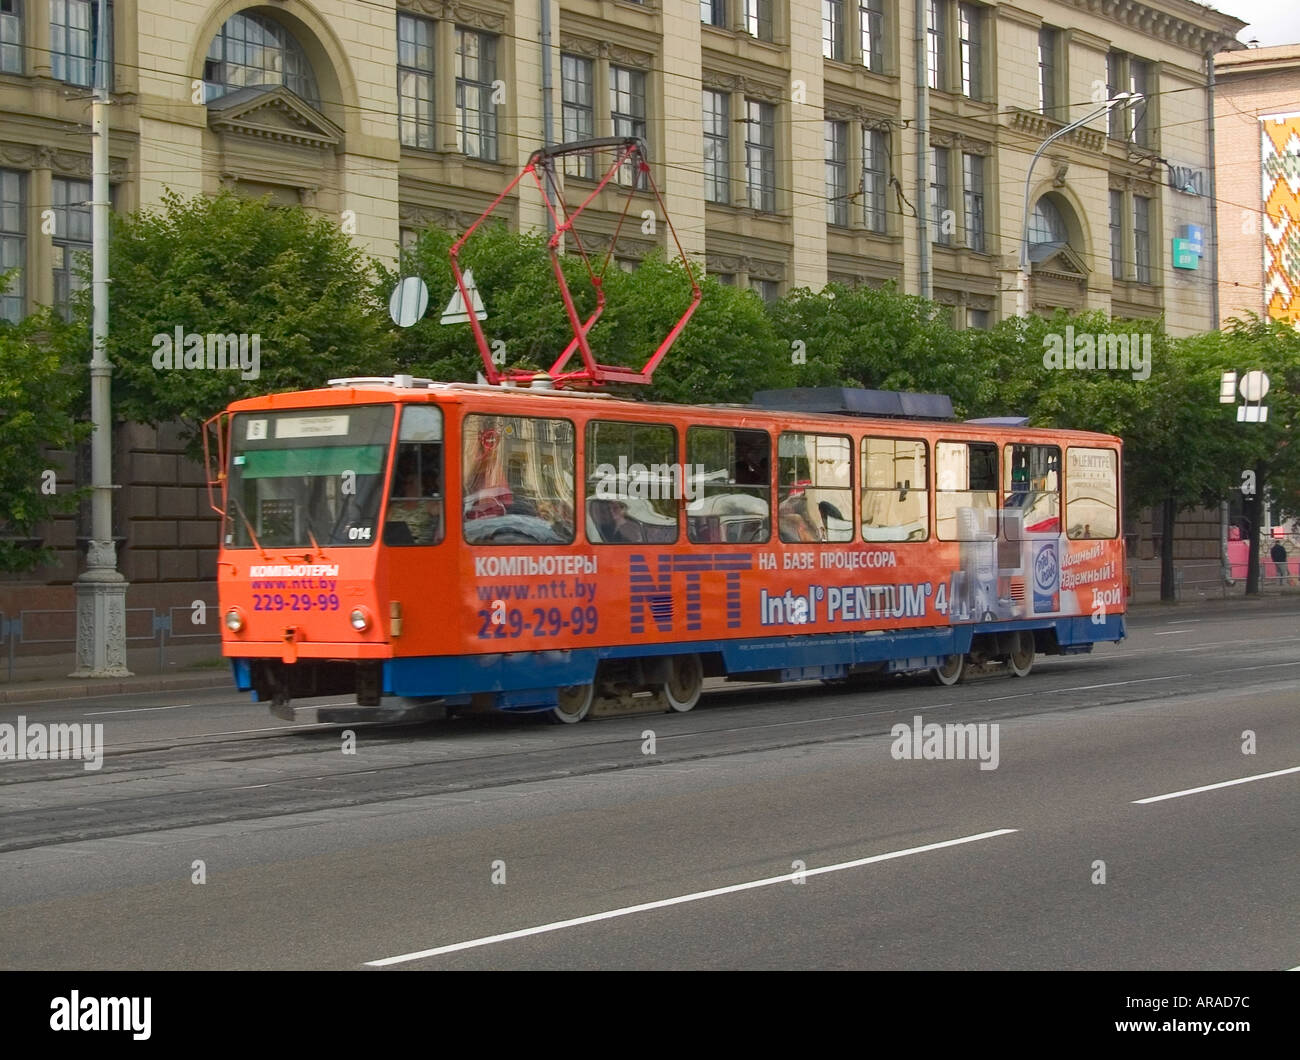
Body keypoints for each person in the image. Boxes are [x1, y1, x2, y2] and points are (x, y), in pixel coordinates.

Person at [386, 458, 442, 545]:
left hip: (421, 550)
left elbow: (445, 510)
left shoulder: (429, 504)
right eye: (406, 483)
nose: (408, 486)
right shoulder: (394, 507)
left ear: (421, 486)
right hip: (396, 548)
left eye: (411, 482)